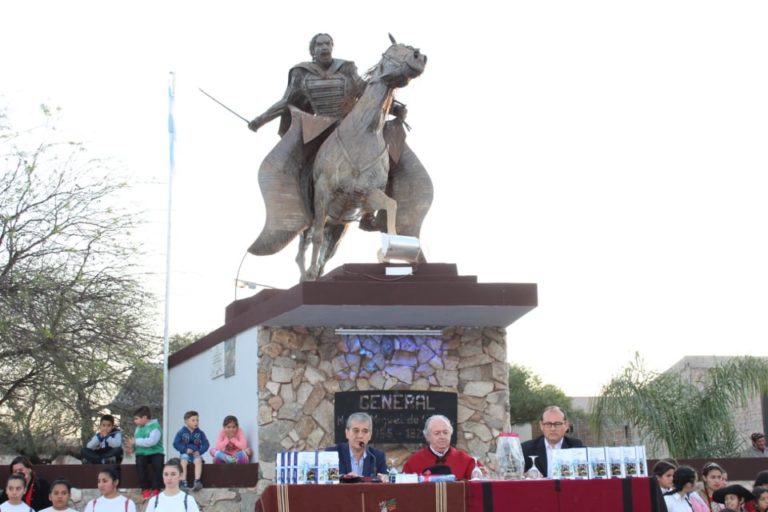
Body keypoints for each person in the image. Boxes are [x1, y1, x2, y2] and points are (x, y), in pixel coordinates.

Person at [245, 33, 431, 275]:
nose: (324, 48)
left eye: (328, 44)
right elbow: (286, 101)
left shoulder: (347, 68)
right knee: (297, 163)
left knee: (393, 152)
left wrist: (394, 108)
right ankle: (299, 205)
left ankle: (378, 217)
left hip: (353, 123)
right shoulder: (301, 73)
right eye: (319, 44)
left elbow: (366, 91)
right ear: (312, 50)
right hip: (320, 127)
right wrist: (260, 120)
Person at [402, 415, 477, 480]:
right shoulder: (413, 462)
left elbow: (479, 482)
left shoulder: (466, 460)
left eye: (445, 432)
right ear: (427, 437)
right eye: (437, 433)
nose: (442, 437)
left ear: (451, 434)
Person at [521, 406, 584, 478]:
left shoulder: (576, 446)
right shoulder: (526, 449)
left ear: (566, 425)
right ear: (541, 425)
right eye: (548, 424)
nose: (553, 429)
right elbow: (515, 476)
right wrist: (524, 475)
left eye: (557, 424)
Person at [326, 412, 387, 479]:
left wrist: (384, 478)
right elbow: (329, 479)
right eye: (356, 431)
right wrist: (346, 478)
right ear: (347, 433)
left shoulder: (377, 457)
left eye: (365, 431)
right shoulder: (333, 453)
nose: (360, 436)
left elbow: (384, 481)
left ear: (370, 435)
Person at [125, 405, 164, 500]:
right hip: (141, 453)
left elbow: (152, 441)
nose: (135, 421)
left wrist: (135, 442)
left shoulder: (155, 426)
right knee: (140, 465)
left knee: (158, 465)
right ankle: (144, 488)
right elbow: (136, 442)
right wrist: (132, 448)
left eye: (137, 419)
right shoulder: (138, 428)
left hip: (156, 452)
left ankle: (156, 488)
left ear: (145, 418)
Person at [172, 410, 209, 491]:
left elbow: (206, 444)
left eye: (197, 420)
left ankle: (197, 481)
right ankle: (183, 482)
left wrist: (199, 451)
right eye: (193, 420)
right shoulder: (181, 432)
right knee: (183, 460)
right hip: (185, 453)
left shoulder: (200, 433)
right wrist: (185, 449)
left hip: (196, 454)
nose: (196, 422)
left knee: (198, 460)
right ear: (186, 421)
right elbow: (175, 443)